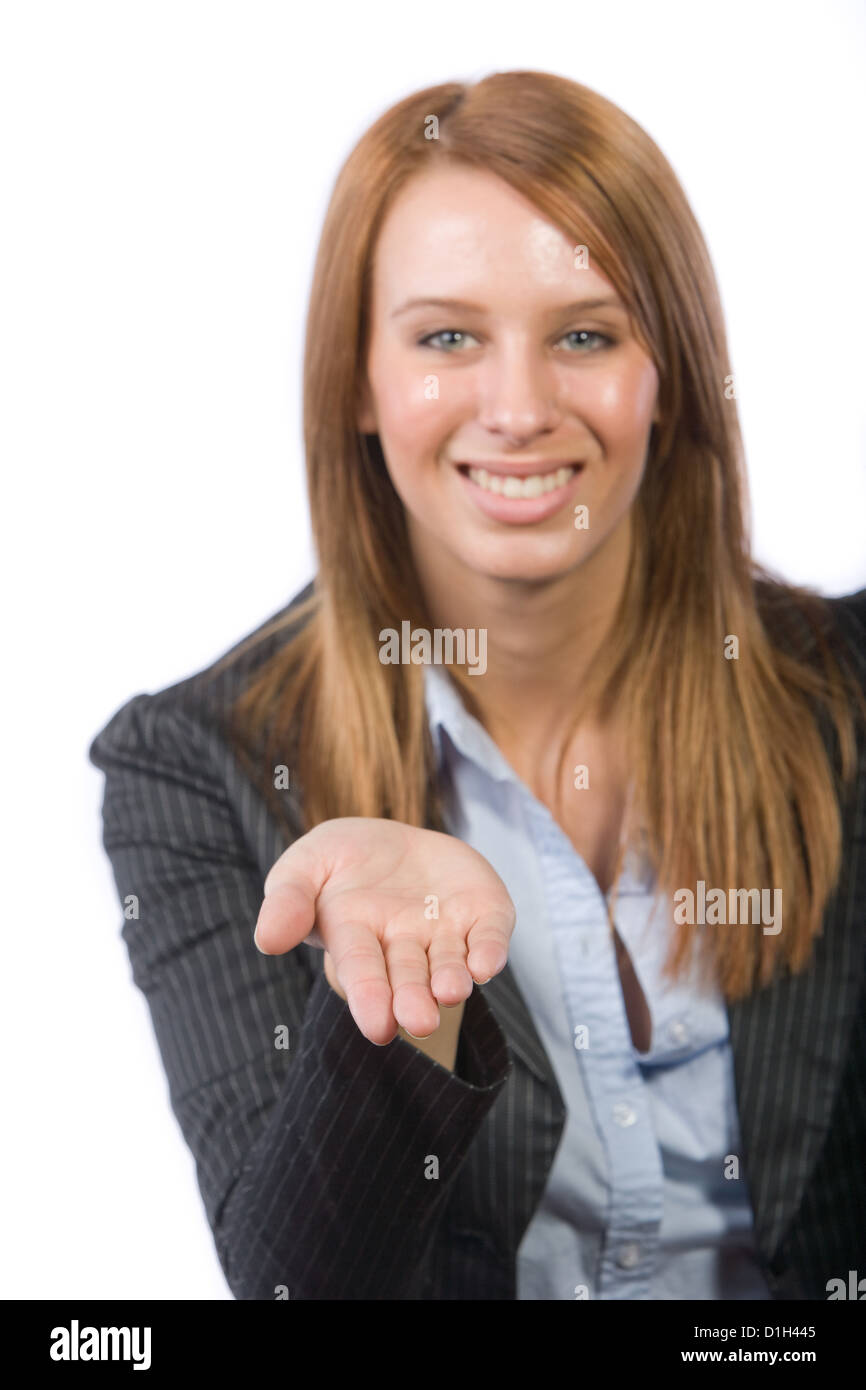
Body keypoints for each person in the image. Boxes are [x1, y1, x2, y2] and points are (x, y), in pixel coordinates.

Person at [89, 70, 866, 1301]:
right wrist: (403, 1016)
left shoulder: (846, 692)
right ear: (358, 378)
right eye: (447, 336)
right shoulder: (200, 765)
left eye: (585, 334)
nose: (517, 408)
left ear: (664, 368)